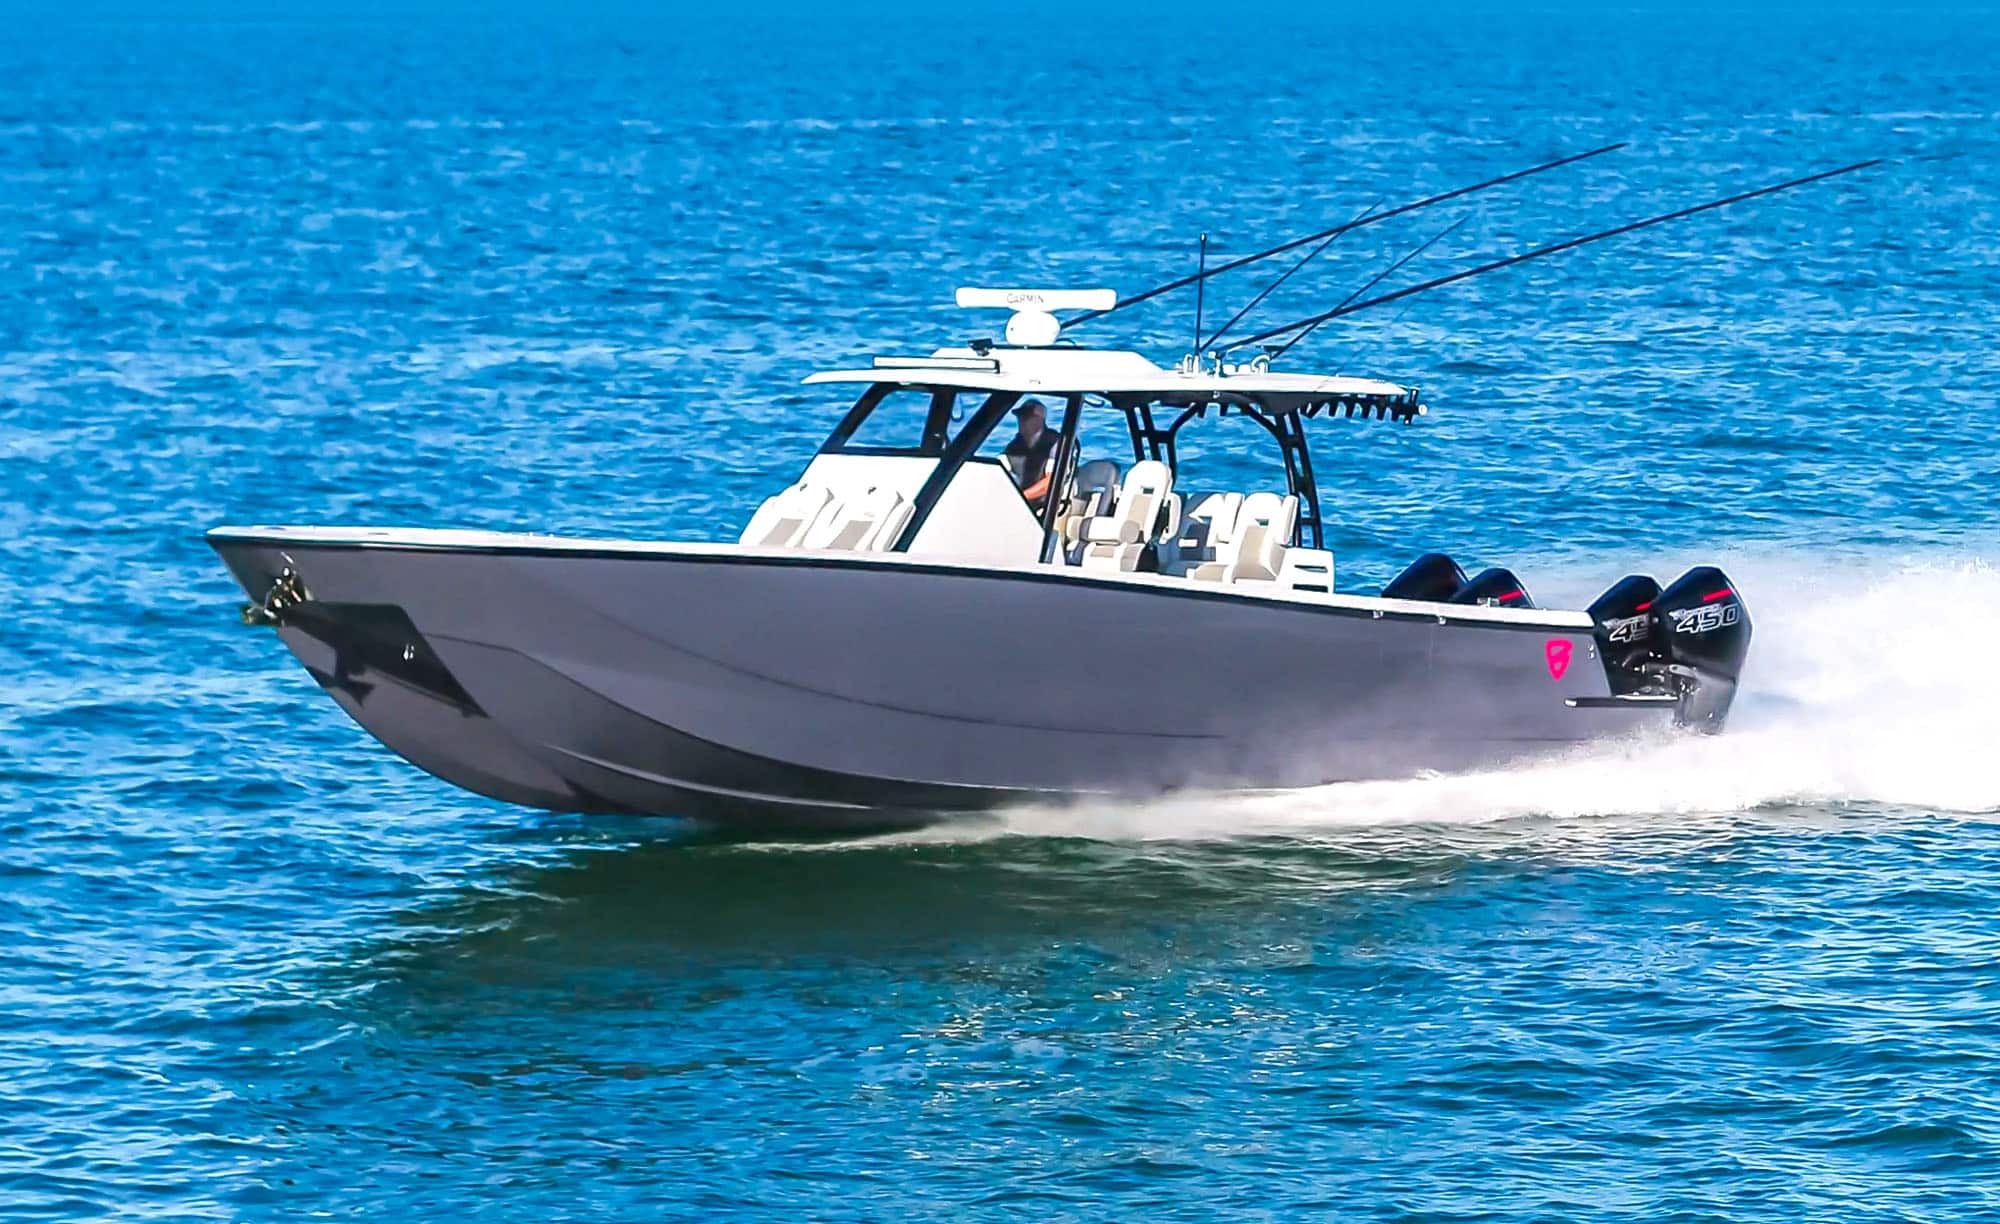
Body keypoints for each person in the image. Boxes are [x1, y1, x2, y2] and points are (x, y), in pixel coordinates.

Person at [1002, 398, 1061, 512]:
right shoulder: (1013, 447)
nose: (1021, 421)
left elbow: (1051, 482)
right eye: (1020, 417)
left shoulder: (1055, 443)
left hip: (1047, 507)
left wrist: (1021, 497)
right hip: (1020, 504)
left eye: (1026, 417)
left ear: (1039, 420)